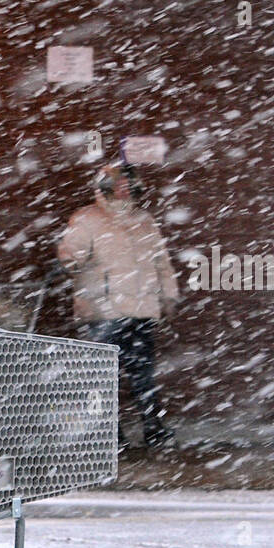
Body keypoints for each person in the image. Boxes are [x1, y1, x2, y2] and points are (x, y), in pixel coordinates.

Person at [57, 162, 179, 450]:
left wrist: (169, 295)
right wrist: (71, 261)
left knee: (144, 375)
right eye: (120, 184)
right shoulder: (88, 219)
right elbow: (69, 254)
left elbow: (162, 261)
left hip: (140, 309)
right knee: (102, 377)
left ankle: (153, 428)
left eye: (129, 184)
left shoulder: (145, 220)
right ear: (106, 187)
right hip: (103, 311)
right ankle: (110, 434)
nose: (126, 189)